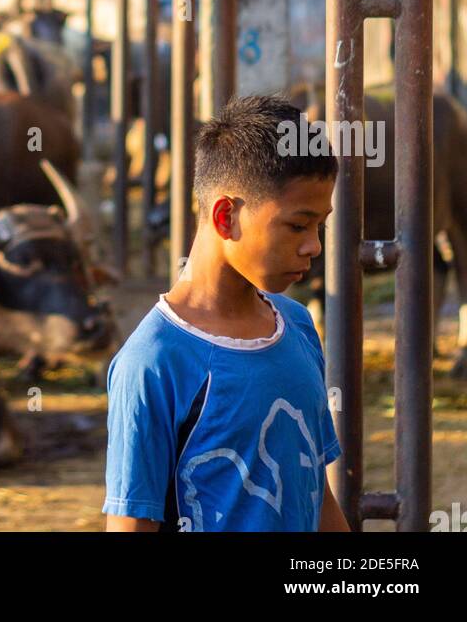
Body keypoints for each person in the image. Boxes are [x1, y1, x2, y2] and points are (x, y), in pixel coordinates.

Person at [103, 93, 350, 533]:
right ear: (225, 217)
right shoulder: (153, 363)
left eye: (320, 226)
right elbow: (130, 523)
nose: (314, 245)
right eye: (298, 225)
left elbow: (318, 494)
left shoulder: (297, 326)